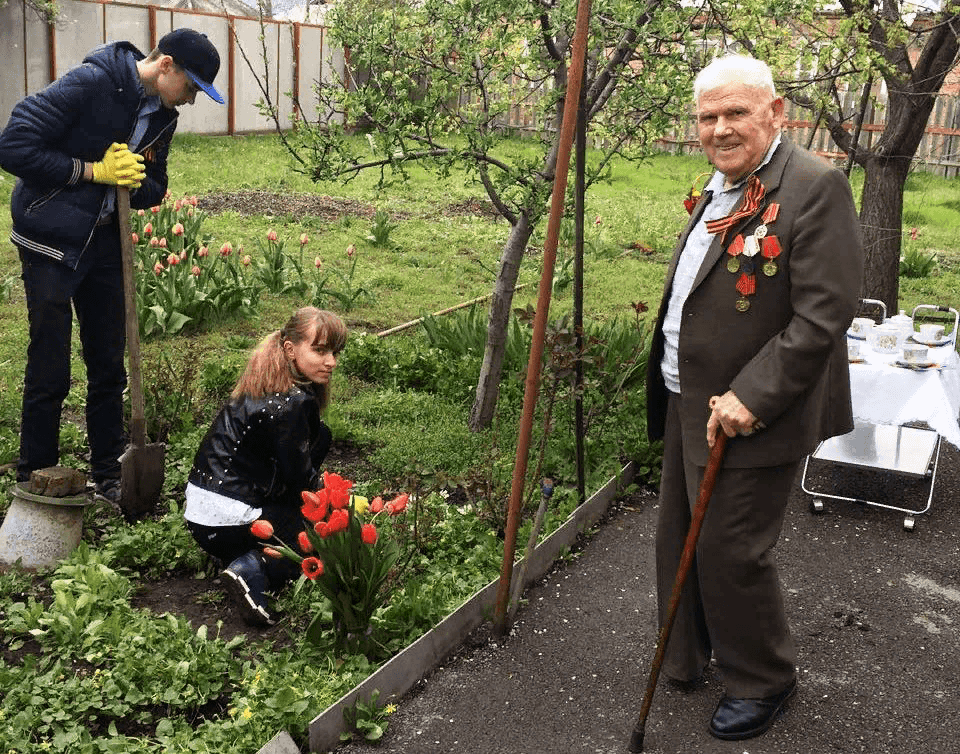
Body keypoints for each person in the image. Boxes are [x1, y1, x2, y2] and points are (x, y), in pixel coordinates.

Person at [645, 54, 863, 741]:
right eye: (707, 117)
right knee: (679, 537)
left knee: (732, 551)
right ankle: (685, 656)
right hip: (692, 398)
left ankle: (763, 678)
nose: (719, 128)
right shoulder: (722, 183)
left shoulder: (813, 186)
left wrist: (752, 394)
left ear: (774, 113)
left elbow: (825, 314)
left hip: (750, 410)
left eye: (735, 112)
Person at [0, 28, 224, 505]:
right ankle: (35, 475)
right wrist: (92, 171)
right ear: (166, 65)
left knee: (107, 363)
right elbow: (14, 145)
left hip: (103, 238)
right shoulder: (91, 83)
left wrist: (135, 179)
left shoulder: (163, 117)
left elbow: (155, 187)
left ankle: (108, 473)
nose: (189, 100)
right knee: (50, 364)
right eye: (191, 87)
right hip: (50, 237)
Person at [184, 307, 348, 627]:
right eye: (320, 350)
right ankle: (253, 567)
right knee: (321, 548)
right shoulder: (292, 402)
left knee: (323, 435)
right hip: (233, 518)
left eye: (334, 352)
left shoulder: (261, 385)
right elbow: (300, 479)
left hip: (202, 517)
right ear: (290, 349)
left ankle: (240, 553)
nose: (331, 362)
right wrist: (334, 507)